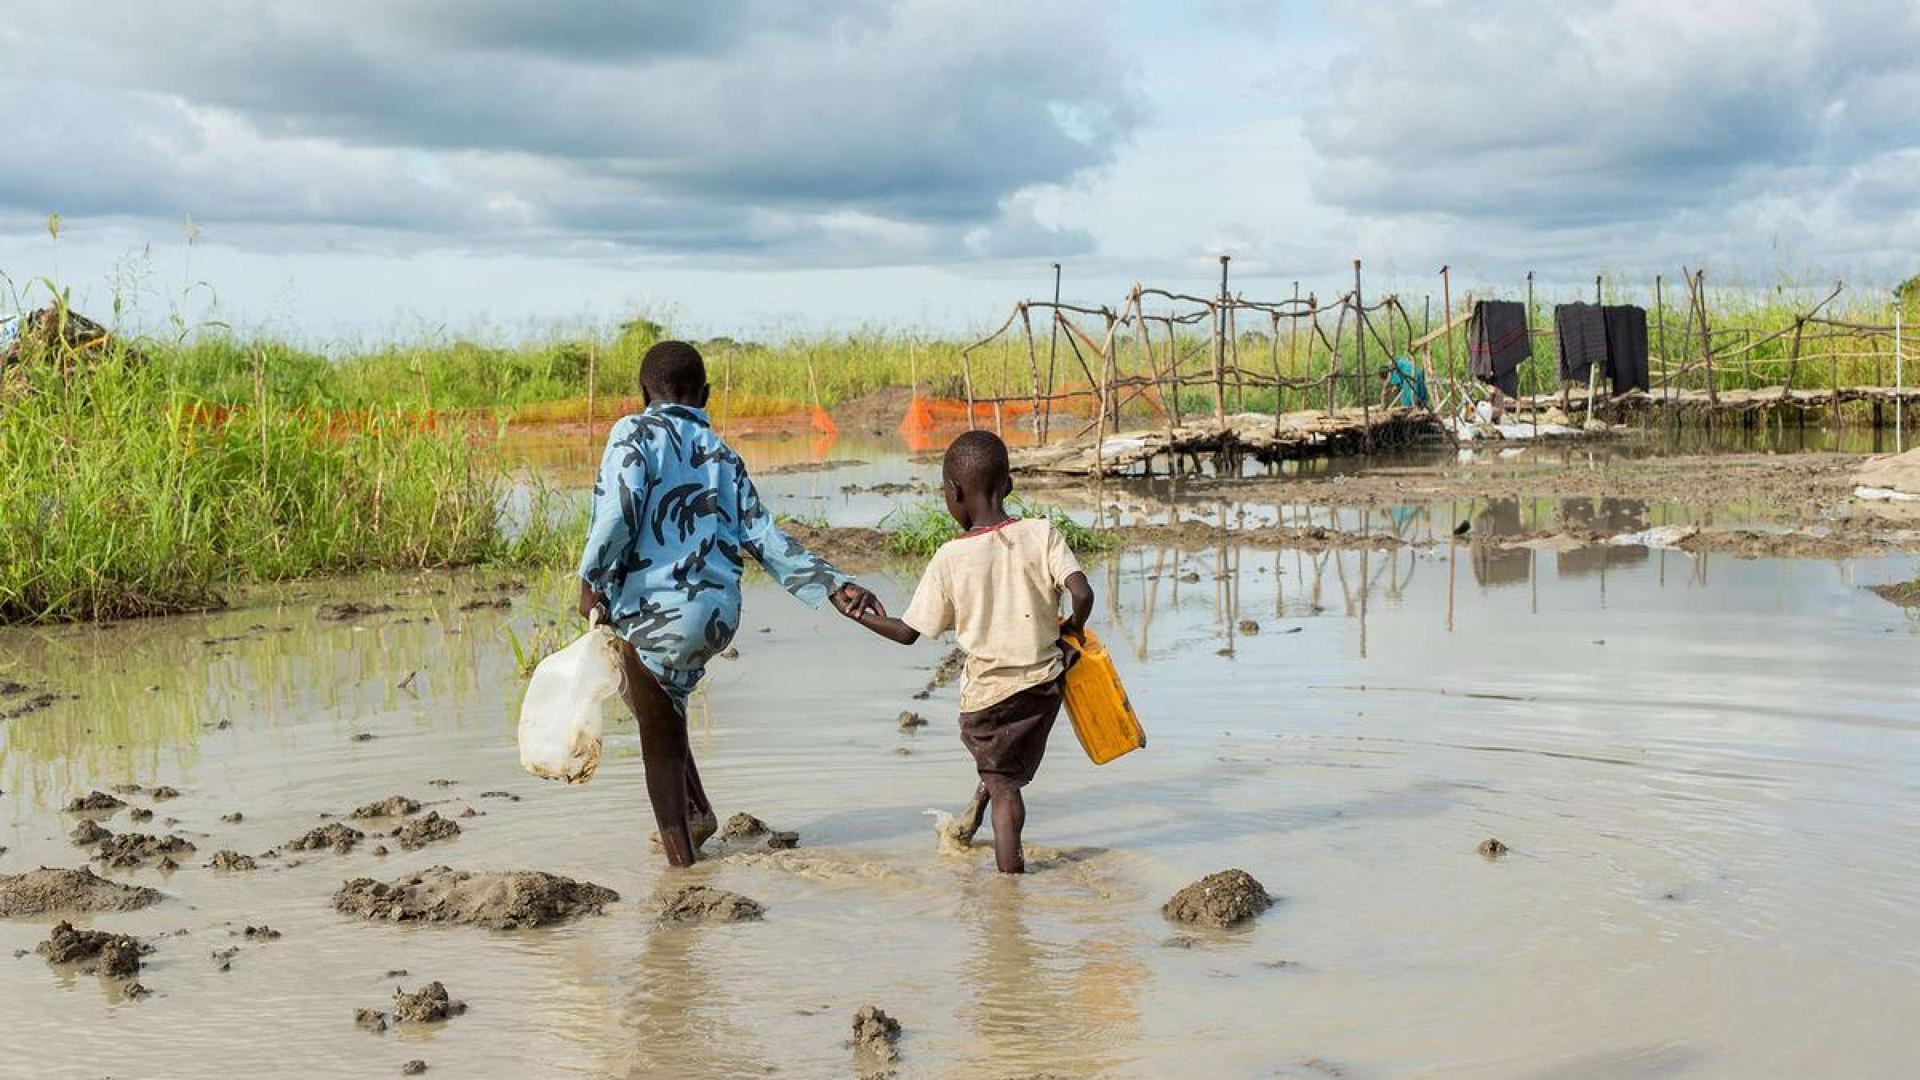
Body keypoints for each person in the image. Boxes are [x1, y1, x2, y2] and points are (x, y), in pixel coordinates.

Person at [577, 340, 878, 868]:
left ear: (643, 392)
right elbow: (764, 536)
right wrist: (833, 584)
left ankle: (682, 864)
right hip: (717, 615)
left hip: (659, 614)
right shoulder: (721, 453)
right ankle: (697, 812)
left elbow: (620, 510)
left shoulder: (633, 431)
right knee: (662, 710)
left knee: (656, 738)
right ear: (706, 395)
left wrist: (591, 576)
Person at [844, 430, 1094, 873]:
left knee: (1006, 793)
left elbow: (907, 633)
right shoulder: (1042, 533)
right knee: (1006, 770)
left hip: (988, 701)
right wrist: (1072, 628)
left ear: (953, 492)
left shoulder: (950, 558)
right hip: (1043, 688)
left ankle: (1008, 893)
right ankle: (974, 812)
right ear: (1009, 485)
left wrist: (858, 616)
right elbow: (1082, 592)